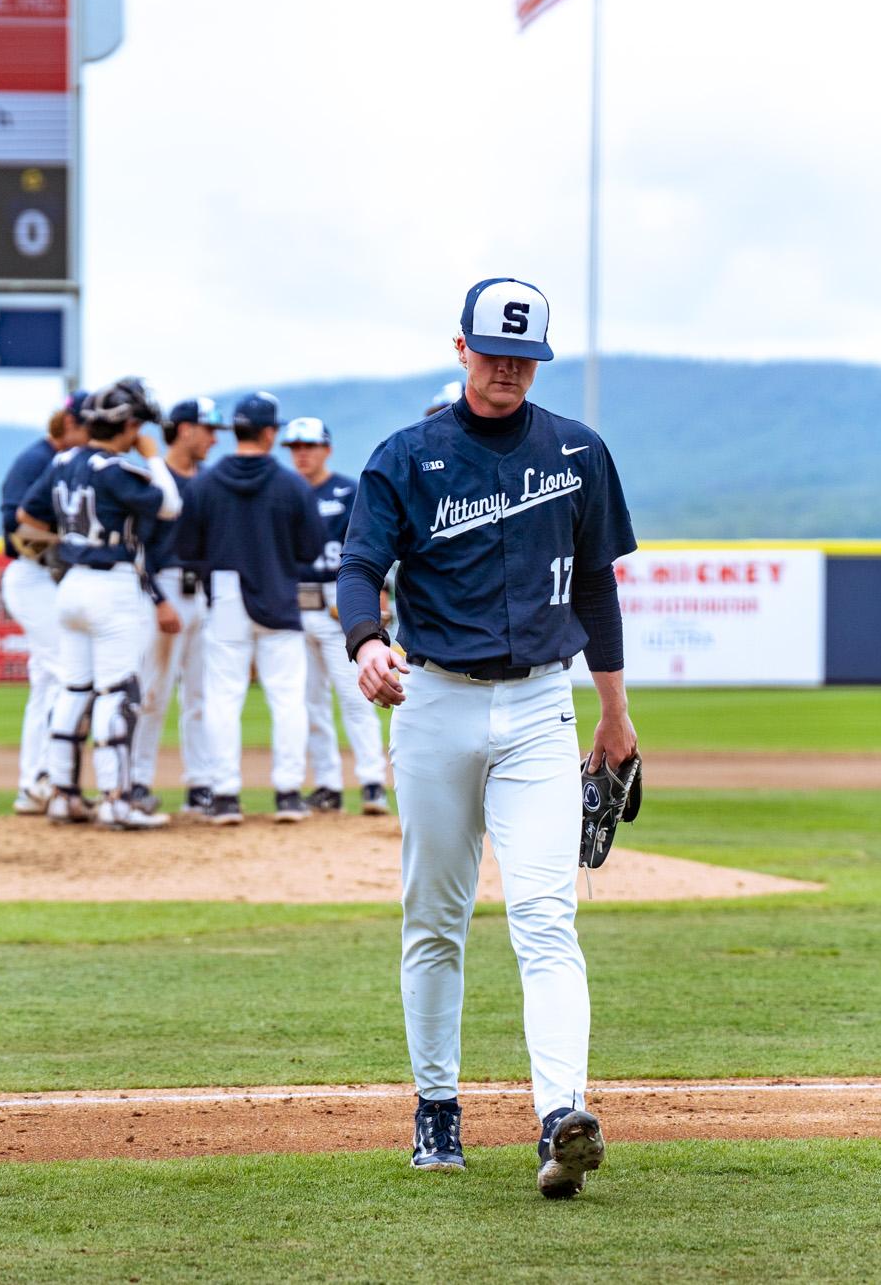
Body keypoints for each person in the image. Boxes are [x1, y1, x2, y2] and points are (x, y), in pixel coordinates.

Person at [337, 277, 638, 1199]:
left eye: (525, 356)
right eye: (493, 350)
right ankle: (437, 1105)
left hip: (543, 708)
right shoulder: (408, 455)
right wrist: (367, 642)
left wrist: (615, 713)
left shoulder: (579, 452)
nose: (508, 367)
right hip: (433, 704)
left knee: (547, 916)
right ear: (461, 345)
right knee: (435, 917)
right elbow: (358, 568)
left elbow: (597, 591)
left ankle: (562, 1116)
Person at [17, 378, 184, 830]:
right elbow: (169, 505)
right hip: (111, 586)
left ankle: (63, 796)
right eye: (138, 426)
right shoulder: (117, 470)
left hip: (70, 583)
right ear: (128, 426)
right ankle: (116, 800)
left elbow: (27, 515)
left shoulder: (64, 461)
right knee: (117, 693)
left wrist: (72, 537)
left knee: (74, 689)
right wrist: (152, 455)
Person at [171, 392, 326, 825]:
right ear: (270, 433)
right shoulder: (291, 484)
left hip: (224, 595)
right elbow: (312, 547)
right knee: (287, 698)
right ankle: (288, 793)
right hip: (279, 594)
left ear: (235, 430)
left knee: (222, 699)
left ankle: (224, 797)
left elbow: (186, 547)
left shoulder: (204, 483)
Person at [280, 415, 391, 815]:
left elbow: (370, 551)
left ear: (326, 448)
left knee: (355, 696)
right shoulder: (286, 491)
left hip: (336, 601)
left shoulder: (347, 491)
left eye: (309, 446)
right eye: (294, 447)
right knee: (310, 703)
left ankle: (372, 783)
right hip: (293, 604)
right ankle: (327, 784)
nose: (302, 454)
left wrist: (379, 597)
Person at [131, 396, 229, 817]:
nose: (213, 438)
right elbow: (136, 548)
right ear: (184, 429)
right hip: (163, 591)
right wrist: (156, 599)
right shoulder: (154, 478)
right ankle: (135, 780)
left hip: (204, 595)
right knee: (152, 693)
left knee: (201, 696)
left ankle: (201, 784)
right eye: (208, 430)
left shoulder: (209, 481)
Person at [0, 392, 89, 814]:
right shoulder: (38, 460)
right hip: (33, 577)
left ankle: (31, 783)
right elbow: (10, 527)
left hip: (45, 579)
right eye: (88, 424)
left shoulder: (67, 463)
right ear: (69, 424)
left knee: (46, 682)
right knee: (64, 672)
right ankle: (46, 778)